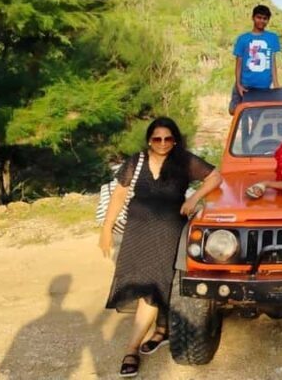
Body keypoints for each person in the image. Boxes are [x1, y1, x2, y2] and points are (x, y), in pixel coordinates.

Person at [99, 117, 222, 378]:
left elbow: (215, 177)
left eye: (168, 138)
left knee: (152, 287)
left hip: (168, 231)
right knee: (147, 281)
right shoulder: (136, 161)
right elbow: (119, 194)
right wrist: (106, 229)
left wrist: (195, 198)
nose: (163, 143)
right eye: (157, 138)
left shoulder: (184, 161)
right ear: (149, 140)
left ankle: (131, 349)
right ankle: (162, 330)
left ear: (175, 140)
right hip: (137, 232)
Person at [229, 4, 281, 115]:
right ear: (253, 17)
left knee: (258, 116)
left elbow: (272, 60)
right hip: (245, 83)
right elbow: (239, 63)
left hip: (263, 86)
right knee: (234, 111)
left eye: (265, 18)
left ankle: (251, 130)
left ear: (268, 20)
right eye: (259, 17)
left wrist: (276, 83)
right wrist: (238, 84)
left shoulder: (272, 38)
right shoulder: (243, 39)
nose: (261, 21)